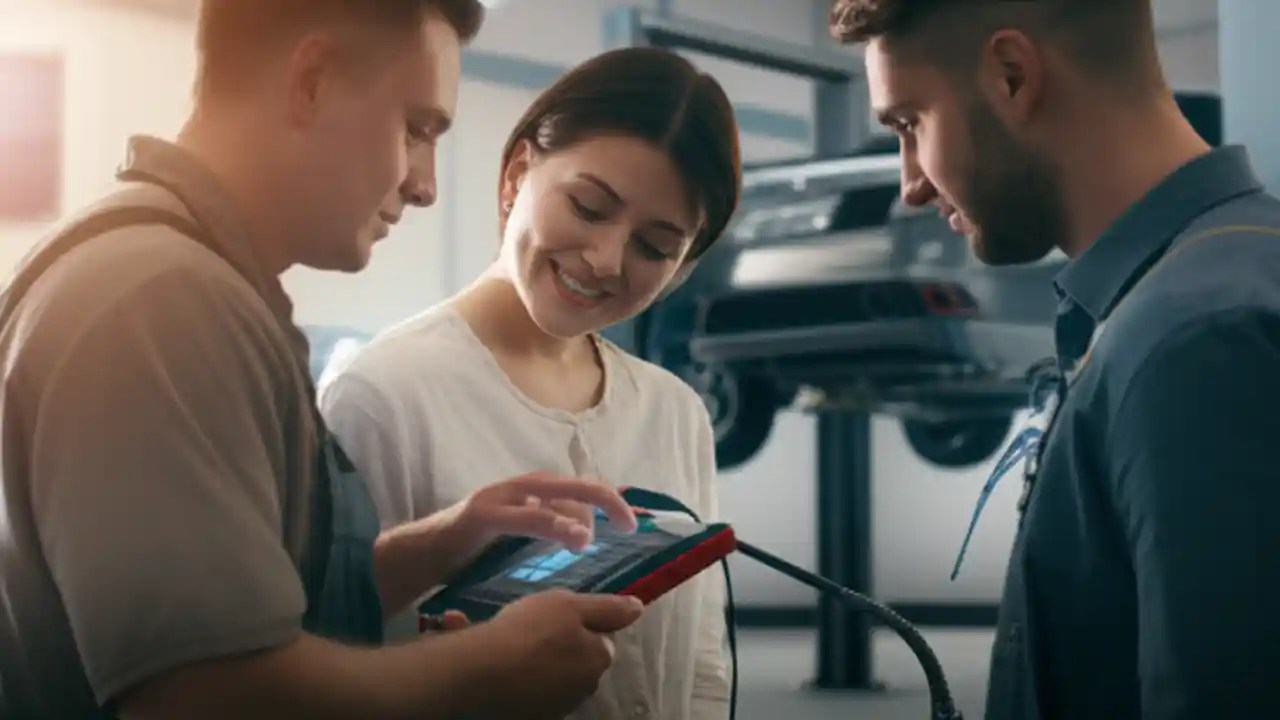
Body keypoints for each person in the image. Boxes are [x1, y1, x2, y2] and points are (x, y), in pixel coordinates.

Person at [0, 2, 649, 719]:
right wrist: (489, 667)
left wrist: (444, 541)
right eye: (416, 130)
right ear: (311, 80)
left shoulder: (189, 282)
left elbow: (246, 609)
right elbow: (204, 695)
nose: (425, 185)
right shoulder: (161, 301)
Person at [828, 0, 1280, 718]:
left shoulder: (1194, 343)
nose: (911, 185)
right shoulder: (1204, 292)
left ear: (1011, 75)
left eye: (910, 124)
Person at [319, 46, 742, 720]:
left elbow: (702, 666)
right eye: (590, 207)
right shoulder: (384, 393)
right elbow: (329, 662)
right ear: (517, 174)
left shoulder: (674, 412)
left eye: (655, 247)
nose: (606, 259)